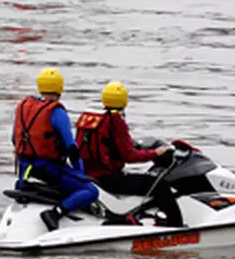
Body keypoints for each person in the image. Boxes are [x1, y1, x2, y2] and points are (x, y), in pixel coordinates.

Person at [75, 81, 183, 227]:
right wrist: (155, 153)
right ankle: (175, 224)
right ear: (124, 100)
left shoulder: (91, 119)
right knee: (160, 185)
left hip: (89, 175)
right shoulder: (115, 121)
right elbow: (129, 156)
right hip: (110, 179)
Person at [14, 67, 100, 233]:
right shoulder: (56, 112)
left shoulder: (23, 108)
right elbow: (72, 148)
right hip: (48, 170)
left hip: (25, 171)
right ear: (60, 87)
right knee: (90, 190)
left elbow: (14, 139)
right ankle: (55, 213)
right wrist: (80, 174)